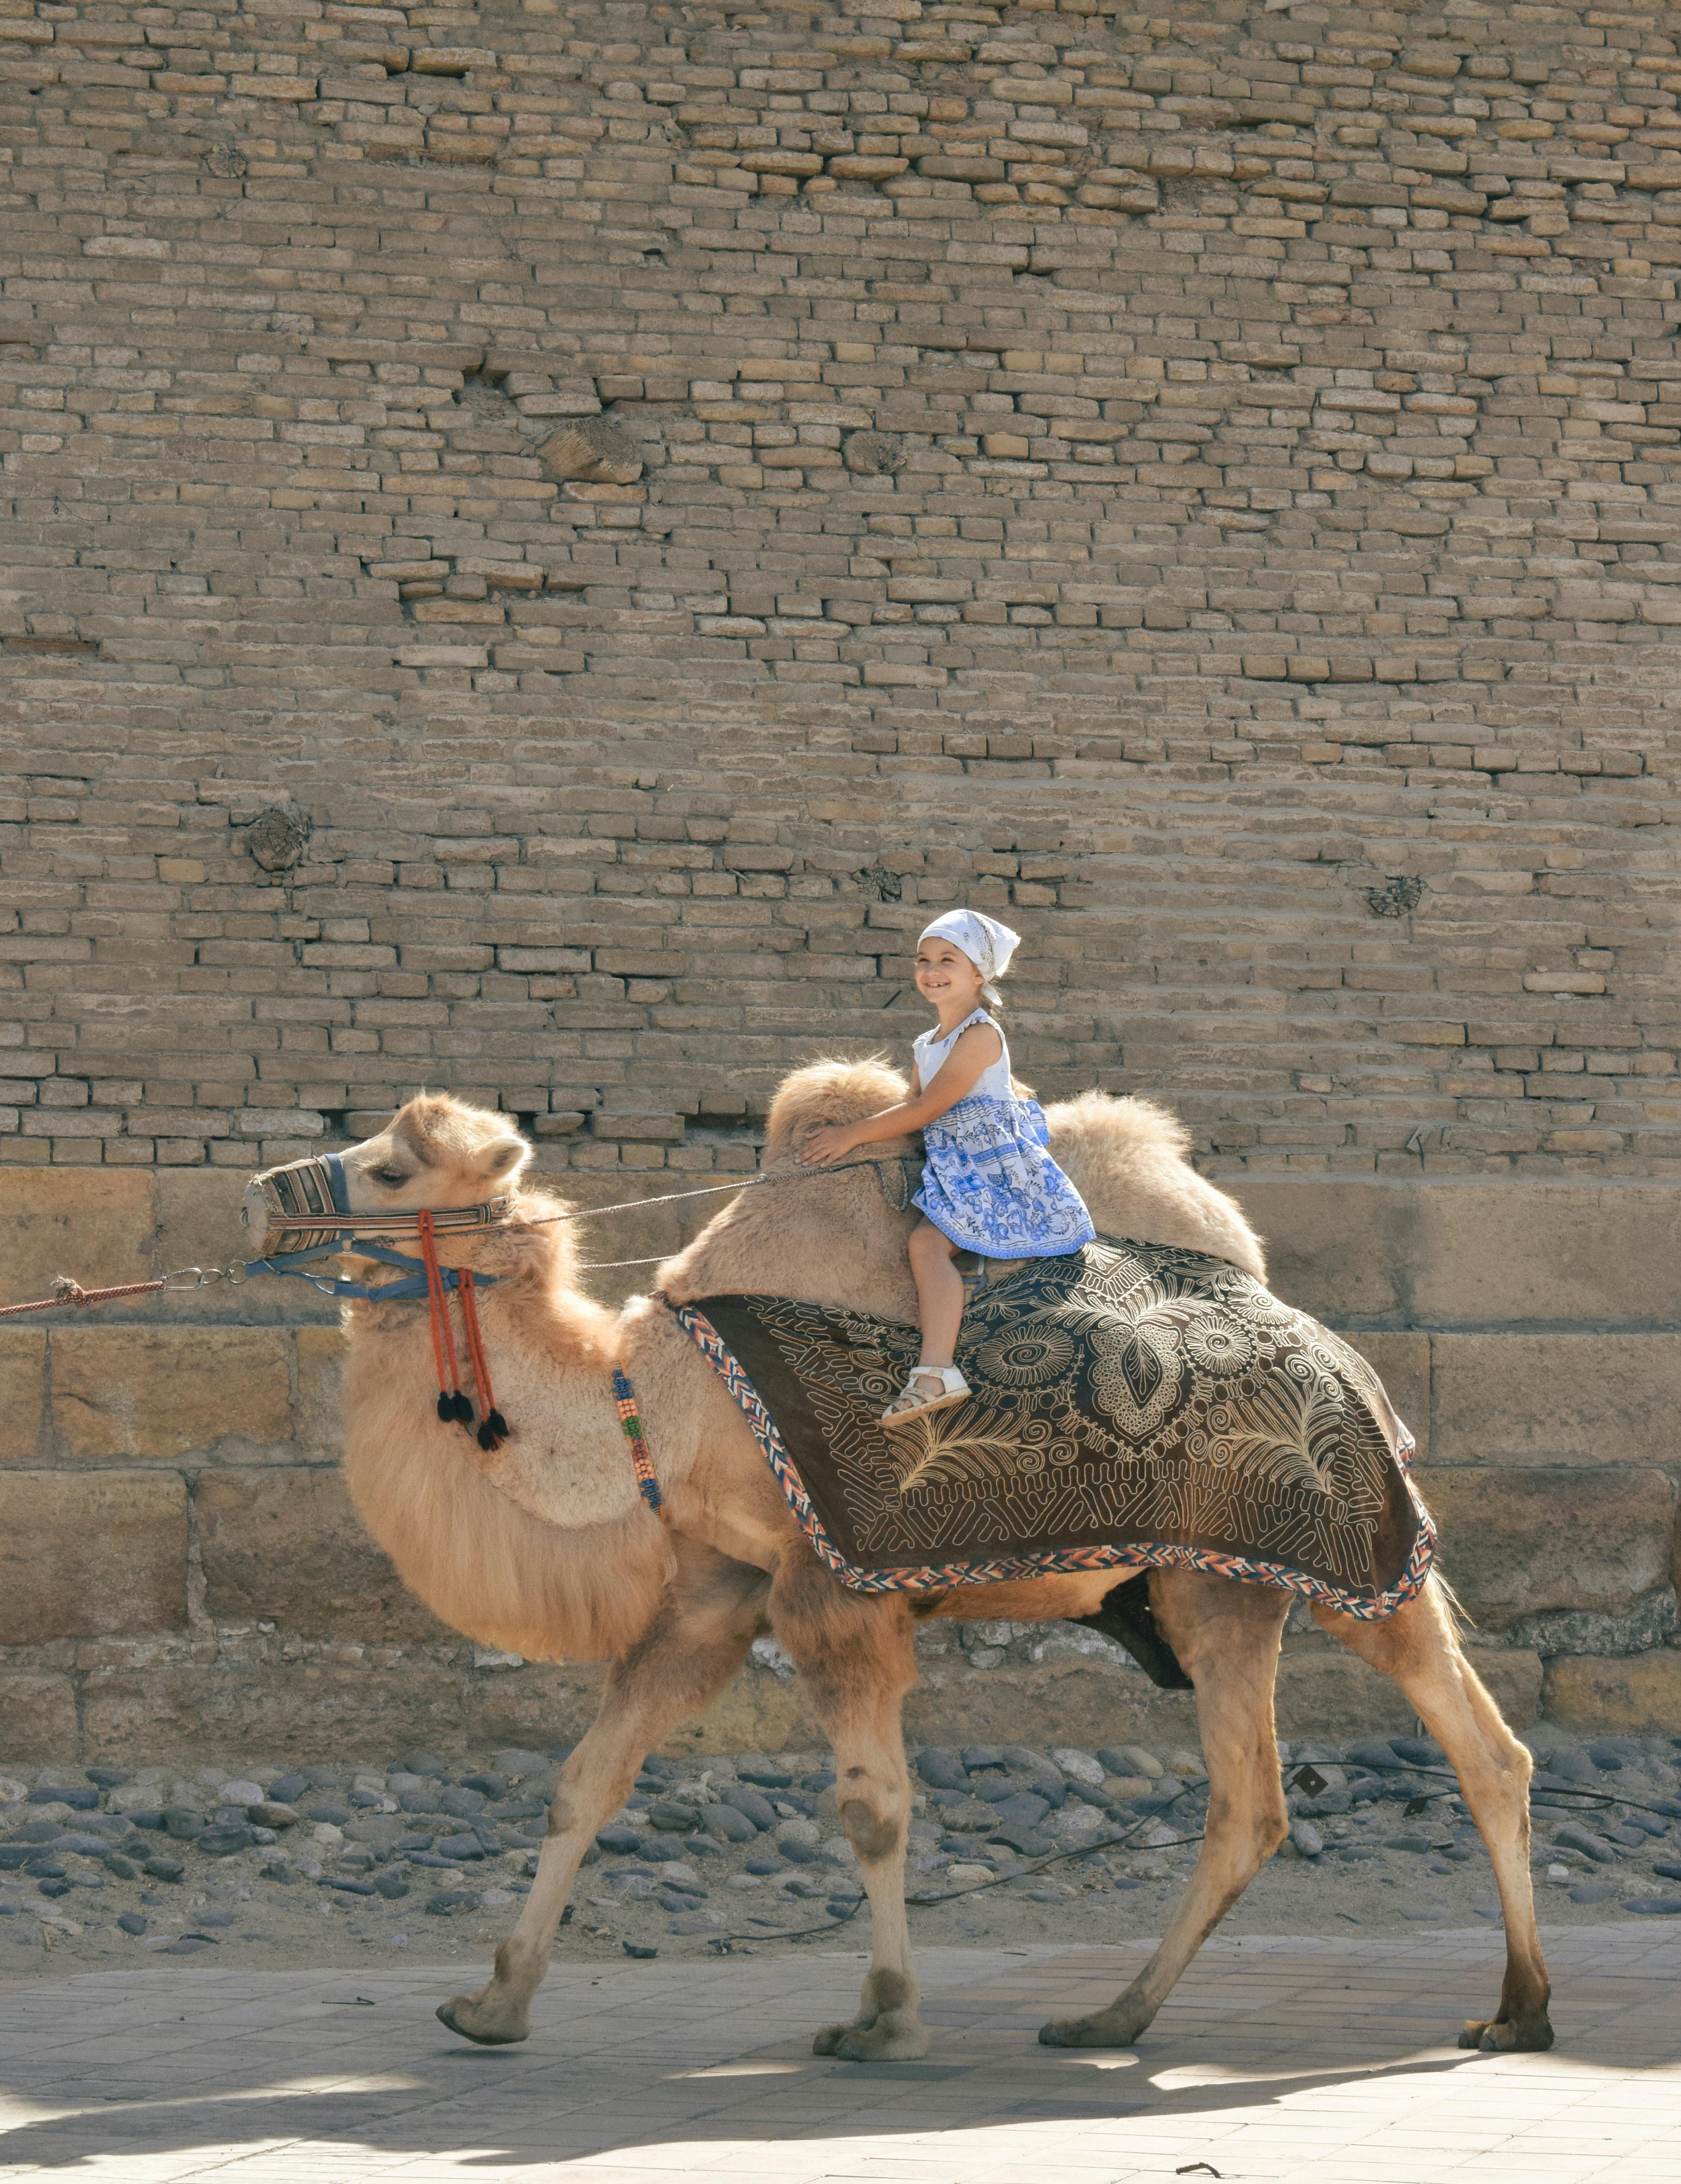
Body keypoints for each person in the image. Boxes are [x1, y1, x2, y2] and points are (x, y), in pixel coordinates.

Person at [798, 909, 1096, 1426]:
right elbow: (914, 1113)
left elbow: (923, 1109)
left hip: (994, 1172)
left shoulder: (981, 1036)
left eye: (947, 961)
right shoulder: (925, 1044)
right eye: (923, 960)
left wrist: (850, 1135)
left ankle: (936, 1372)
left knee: (926, 1243)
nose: (932, 970)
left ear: (979, 974)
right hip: (953, 1164)